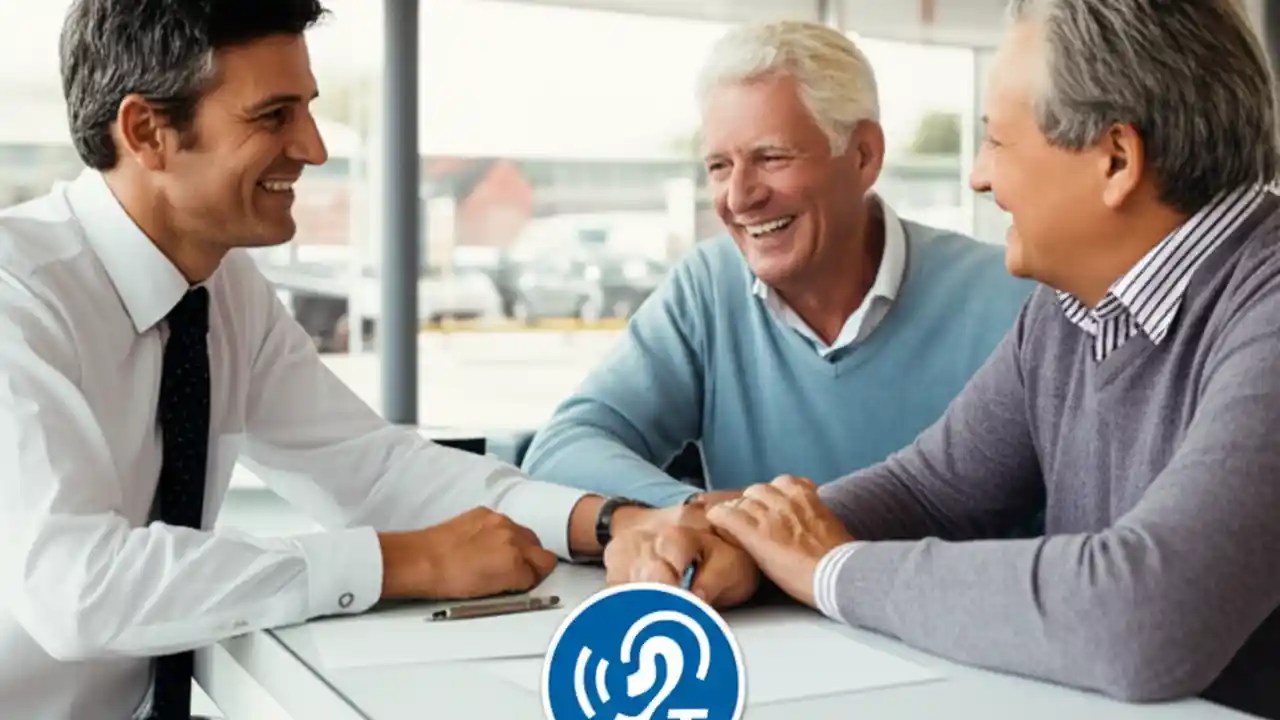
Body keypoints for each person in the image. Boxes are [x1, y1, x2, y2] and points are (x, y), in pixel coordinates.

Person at [0, 2, 752, 718]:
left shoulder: (224, 291)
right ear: (147, 131)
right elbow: (77, 587)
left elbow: (374, 469)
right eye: (273, 116)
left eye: (307, 108)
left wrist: (613, 522)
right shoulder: (17, 296)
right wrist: (402, 562)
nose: (314, 148)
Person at [705, 2, 1280, 717]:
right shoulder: (1069, 309)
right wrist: (740, 544)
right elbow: (930, 490)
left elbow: (1146, 615)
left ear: (1116, 160)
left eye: (997, 142)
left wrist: (832, 569)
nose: (978, 177)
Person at [521, 21, 1034, 508]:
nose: (738, 197)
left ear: (863, 155)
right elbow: (562, 450)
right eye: (720, 166)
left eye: (771, 158)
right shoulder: (709, 288)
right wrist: (699, 514)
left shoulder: (1011, 297)